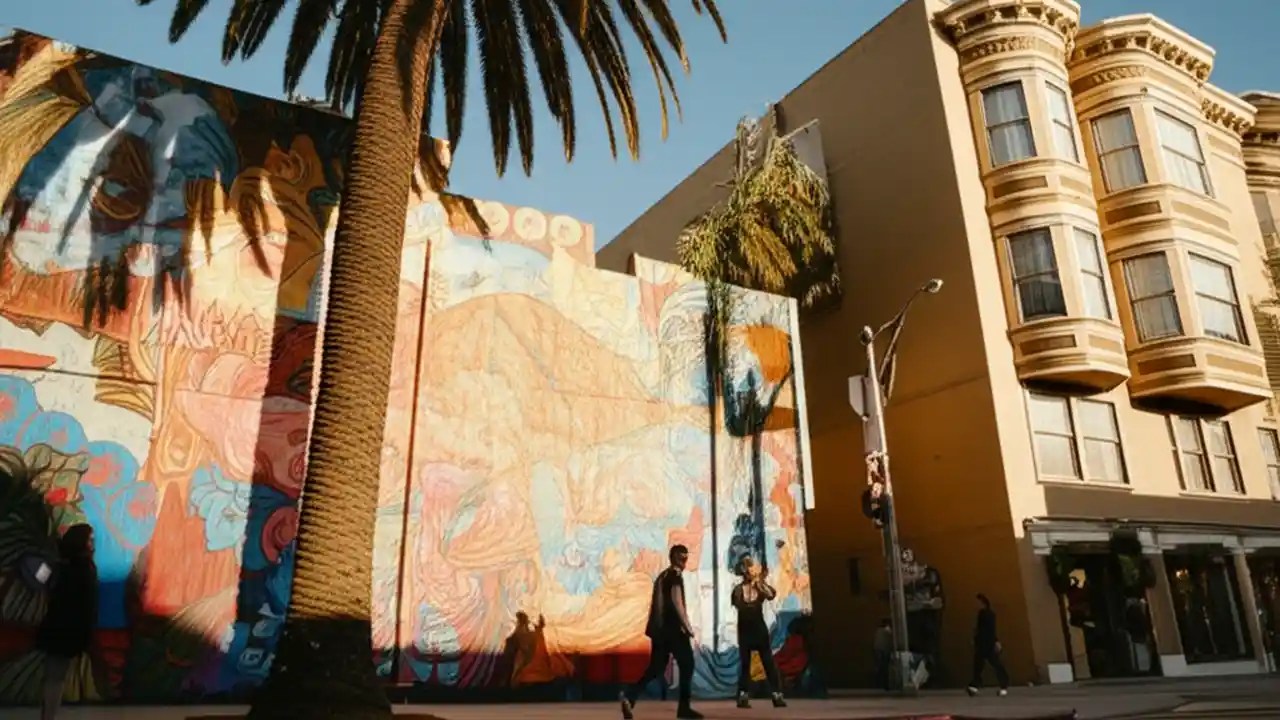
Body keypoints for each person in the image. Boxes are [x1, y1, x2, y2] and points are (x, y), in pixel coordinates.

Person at [621, 544, 701, 720]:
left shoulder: (661, 576)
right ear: (674, 558)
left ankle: (630, 696)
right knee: (687, 665)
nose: (684, 562)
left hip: (660, 632)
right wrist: (688, 628)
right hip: (674, 631)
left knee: (656, 668)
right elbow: (676, 602)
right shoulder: (674, 576)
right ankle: (684, 709)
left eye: (686, 558)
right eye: (682, 558)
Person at [36, 524, 97, 720]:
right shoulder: (83, 567)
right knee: (55, 678)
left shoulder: (62, 566)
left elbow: (40, 580)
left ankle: (48, 716)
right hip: (67, 629)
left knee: (54, 677)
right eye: (89, 539)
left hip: (59, 627)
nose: (92, 543)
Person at [731, 556, 786, 709]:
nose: (750, 571)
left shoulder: (760, 587)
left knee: (768, 662)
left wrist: (759, 584)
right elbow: (740, 605)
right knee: (745, 664)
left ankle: (777, 695)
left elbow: (771, 595)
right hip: (745, 631)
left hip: (759, 630)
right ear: (743, 571)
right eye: (747, 568)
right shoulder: (738, 590)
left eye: (751, 567)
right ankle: (743, 695)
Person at [967, 593, 1008, 697]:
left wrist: (993, 641)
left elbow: (987, 630)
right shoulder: (986, 614)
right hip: (985, 642)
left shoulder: (985, 614)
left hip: (985, 643)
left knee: (985, 664)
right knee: (982, 665)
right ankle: (976, 685)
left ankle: (976, 685)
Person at [872, 618, 893, 690]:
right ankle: (885, 685)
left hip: (878, 650)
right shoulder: (887, 629)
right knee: (885, 668)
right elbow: (890, 638)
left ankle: (877, 684)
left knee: (878, 667)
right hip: (884, 650)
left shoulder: (878, 630)